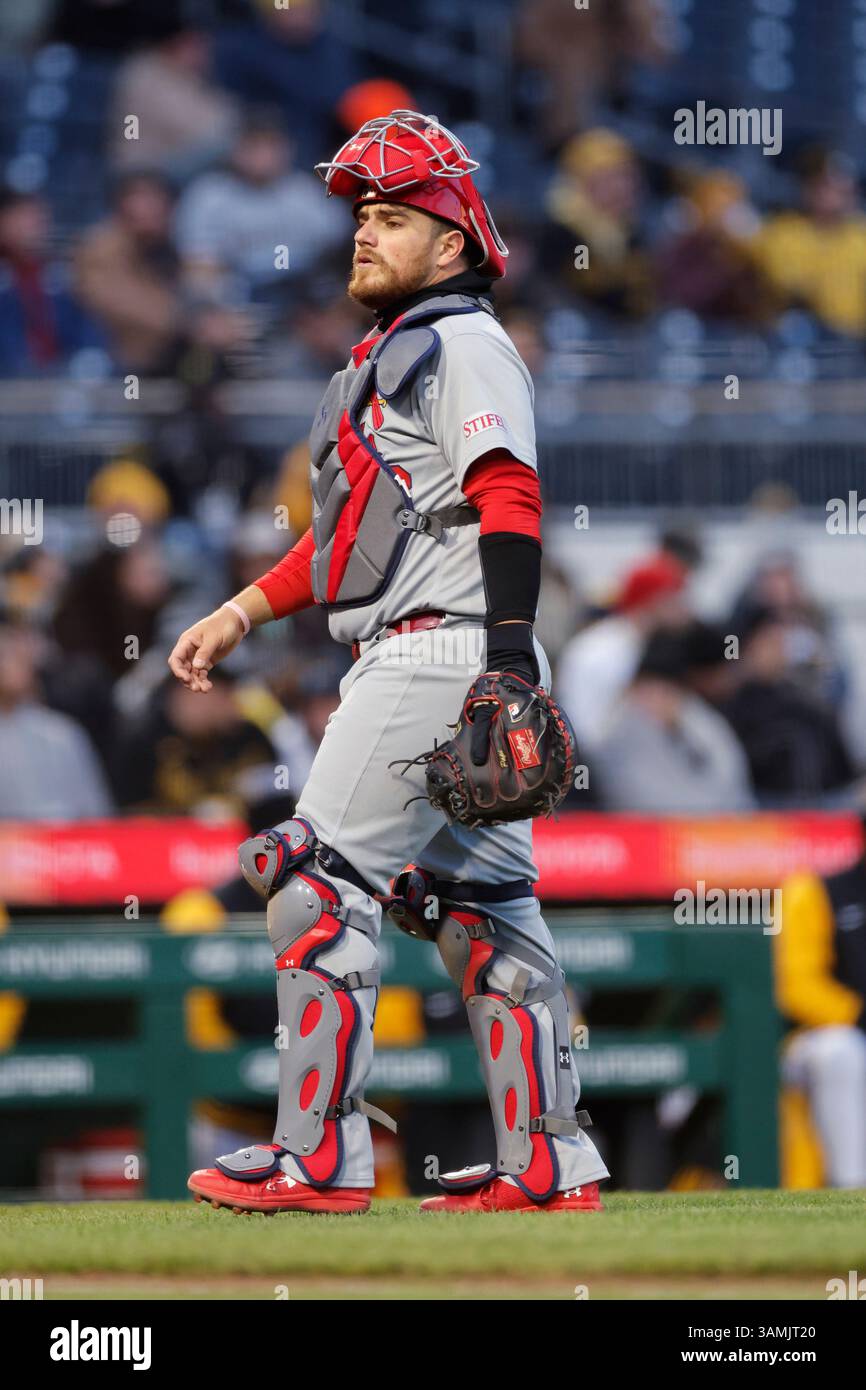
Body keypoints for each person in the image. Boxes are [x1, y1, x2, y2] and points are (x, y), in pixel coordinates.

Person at [169, 110, 609, 1216]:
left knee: (312, 877)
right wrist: (238, 611)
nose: (366, 233)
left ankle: (316, 1153)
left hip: (438, 652)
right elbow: (357, 540)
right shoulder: (393, 354)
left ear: (453, 240)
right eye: (361, 214)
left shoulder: (460, 341)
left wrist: (505, 656)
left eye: (393, 216)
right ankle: (547, 1160)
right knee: (486, 913)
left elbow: (508, 491)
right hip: (442, 644)